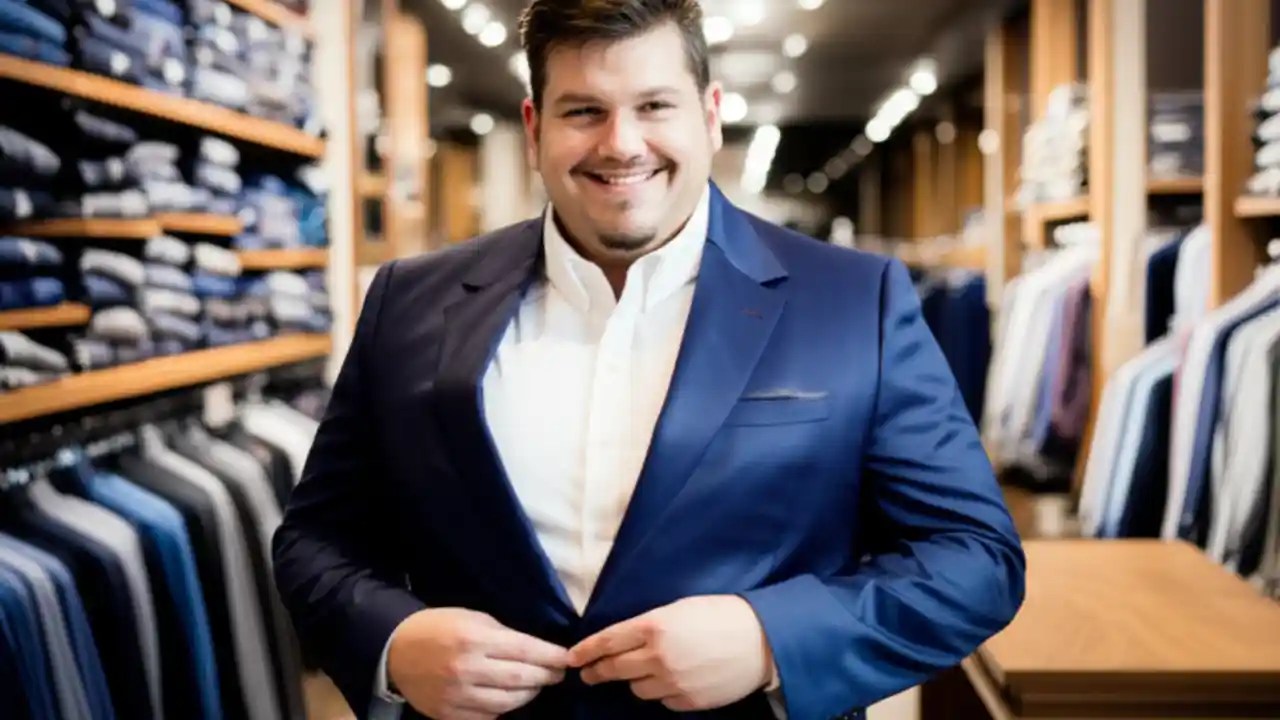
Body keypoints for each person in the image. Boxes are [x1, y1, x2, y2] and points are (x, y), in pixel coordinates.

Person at [272, 1, 1026, 718]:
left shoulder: (854, 302)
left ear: (709, 114)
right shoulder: (410, 301)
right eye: (584, 111)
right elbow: (316, 541)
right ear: (534, 128)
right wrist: (396, 644)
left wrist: (772, 639)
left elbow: (975, 559)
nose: (621, 144)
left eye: (654, 106)